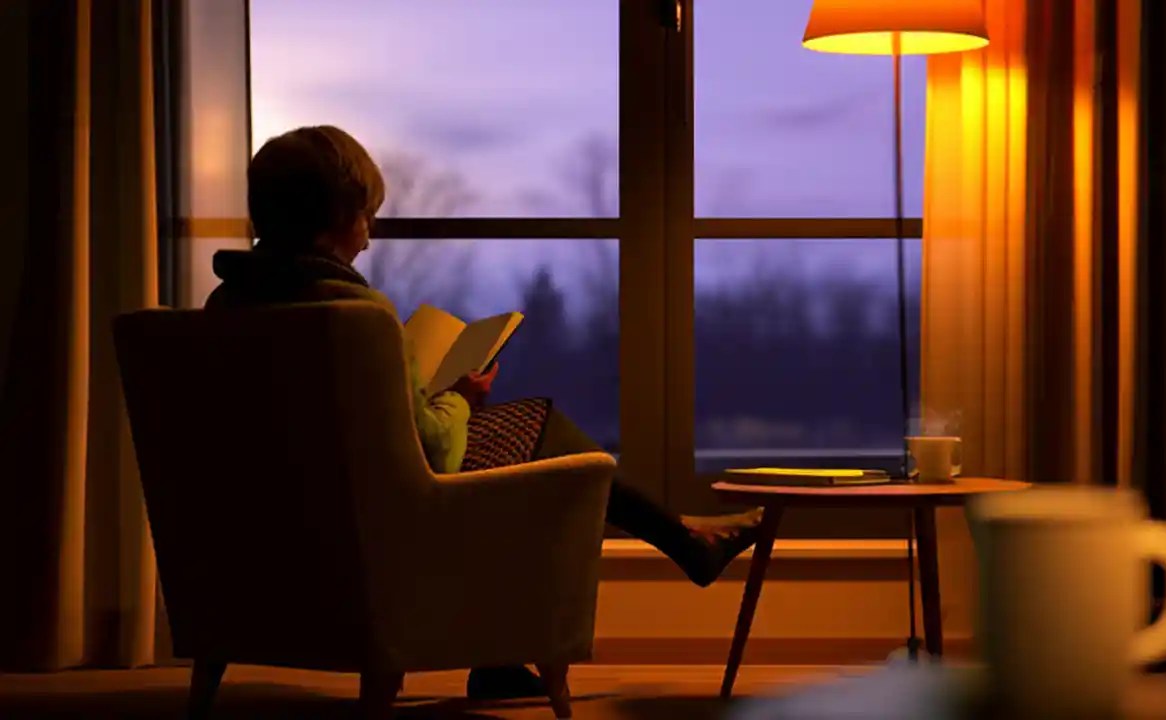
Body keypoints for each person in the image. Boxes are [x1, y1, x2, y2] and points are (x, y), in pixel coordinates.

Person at [205, 125, 762, 700]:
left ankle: (678, 542)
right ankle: (676, 544)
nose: (368, 240)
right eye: (366, 218)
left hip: (277, 535)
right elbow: (432, 453)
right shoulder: (358, 317)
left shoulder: (224, 309)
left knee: (532, 435)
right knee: (547, 439)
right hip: (382, 529)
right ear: (337, 216)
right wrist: (460, 398)